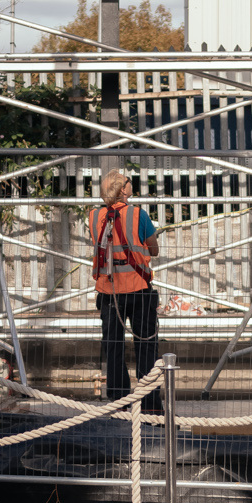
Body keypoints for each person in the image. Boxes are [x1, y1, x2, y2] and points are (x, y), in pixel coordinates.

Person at [89, 169, 161, 401]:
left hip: (109, 292)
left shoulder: (93, 216)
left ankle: (119, 402)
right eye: (129, 181)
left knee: (113, 347)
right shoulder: (139, 215)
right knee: (146, 347)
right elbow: (154, 249)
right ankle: (149, 403)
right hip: (138, 290)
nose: (131, 184)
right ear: (123, 189)